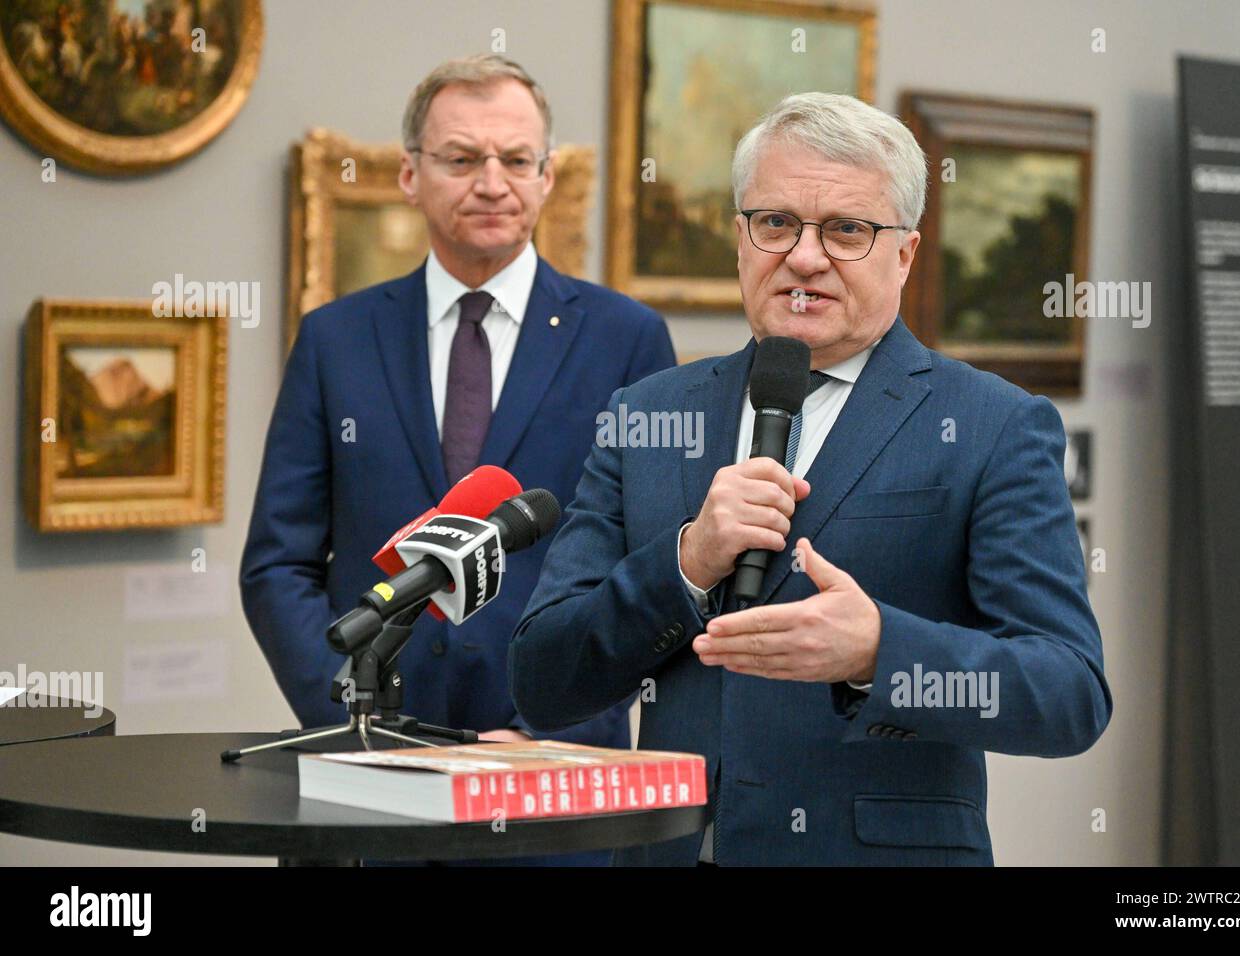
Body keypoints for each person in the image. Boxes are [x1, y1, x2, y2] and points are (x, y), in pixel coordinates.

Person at [509, 92, 1112, 866]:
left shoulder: (994, 424)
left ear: (906, 253)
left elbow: (1068, 696)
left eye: (847, 231)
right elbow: (545, 682)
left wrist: (879, 652)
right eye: (776, 223)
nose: (803, 256)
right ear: (740, 238)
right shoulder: (646, 414)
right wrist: (686, 564)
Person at [240, 55, 675, 864]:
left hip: (553, 778)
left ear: (547, 177)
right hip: (361, 780)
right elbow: (277, 564)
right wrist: (351, 715)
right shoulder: (337, 338)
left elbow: (646, 567)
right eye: (461, 157)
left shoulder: (627, 339)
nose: (492, 181)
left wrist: (558, 727)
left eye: (516, 159)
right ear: (409, 174)